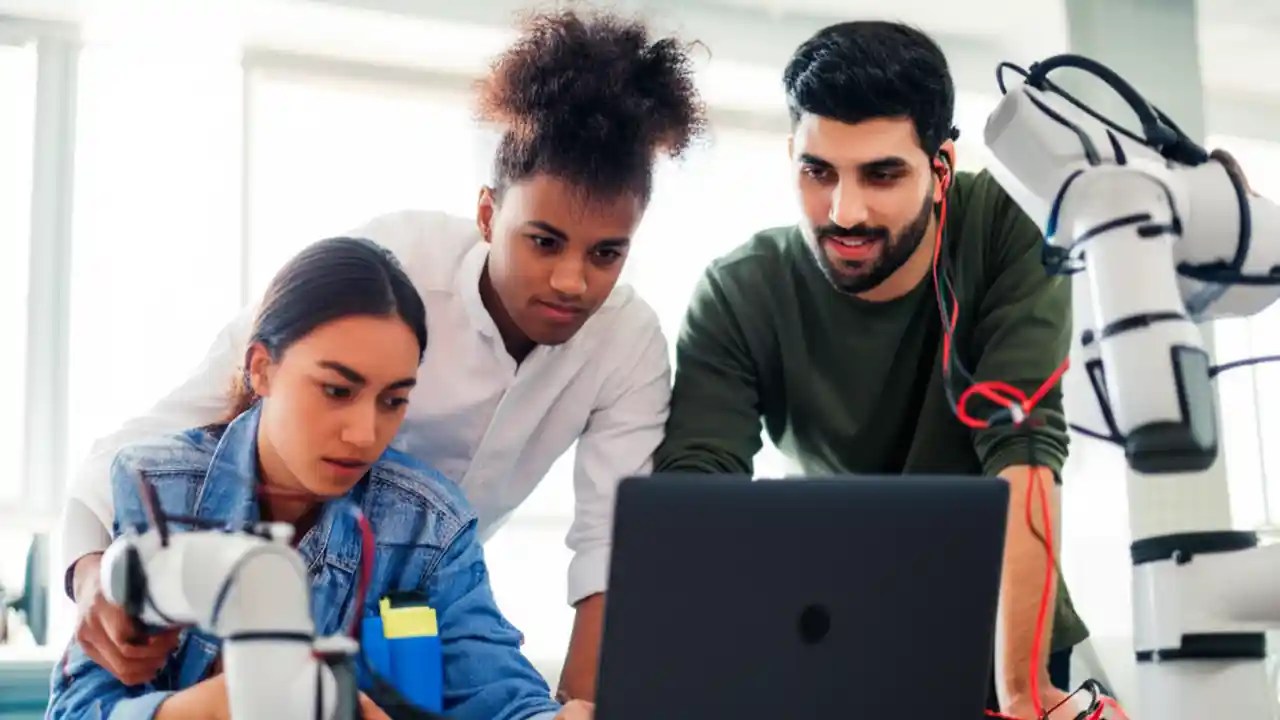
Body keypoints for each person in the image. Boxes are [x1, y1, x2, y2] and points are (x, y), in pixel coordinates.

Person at [57, 8, 706, 703]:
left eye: (607, 253)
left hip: (426, 593)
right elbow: (152, 446)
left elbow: (605, 555)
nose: (573, 281)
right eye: (543, 241)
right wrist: (96, 577)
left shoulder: (623, 349)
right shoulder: (390, 272)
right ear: (488, 215)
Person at [652, 21, 1090, 719]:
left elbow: (1024, 446)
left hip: (1002, 633)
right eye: (817, 171)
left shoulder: (1004, 227)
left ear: (940, 168)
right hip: (833, 633)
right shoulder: (741, 290)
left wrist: (1026, 692)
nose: (844, 212)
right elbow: (698, 493)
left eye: (882, 174)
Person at [47, 237, 590, 720]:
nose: (364, 433)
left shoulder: (431, 526)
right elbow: (76, 708)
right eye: (336, 391)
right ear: (261, 368)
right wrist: (201, 712)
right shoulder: (157, 490)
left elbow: (499, 694)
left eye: (393, 400)